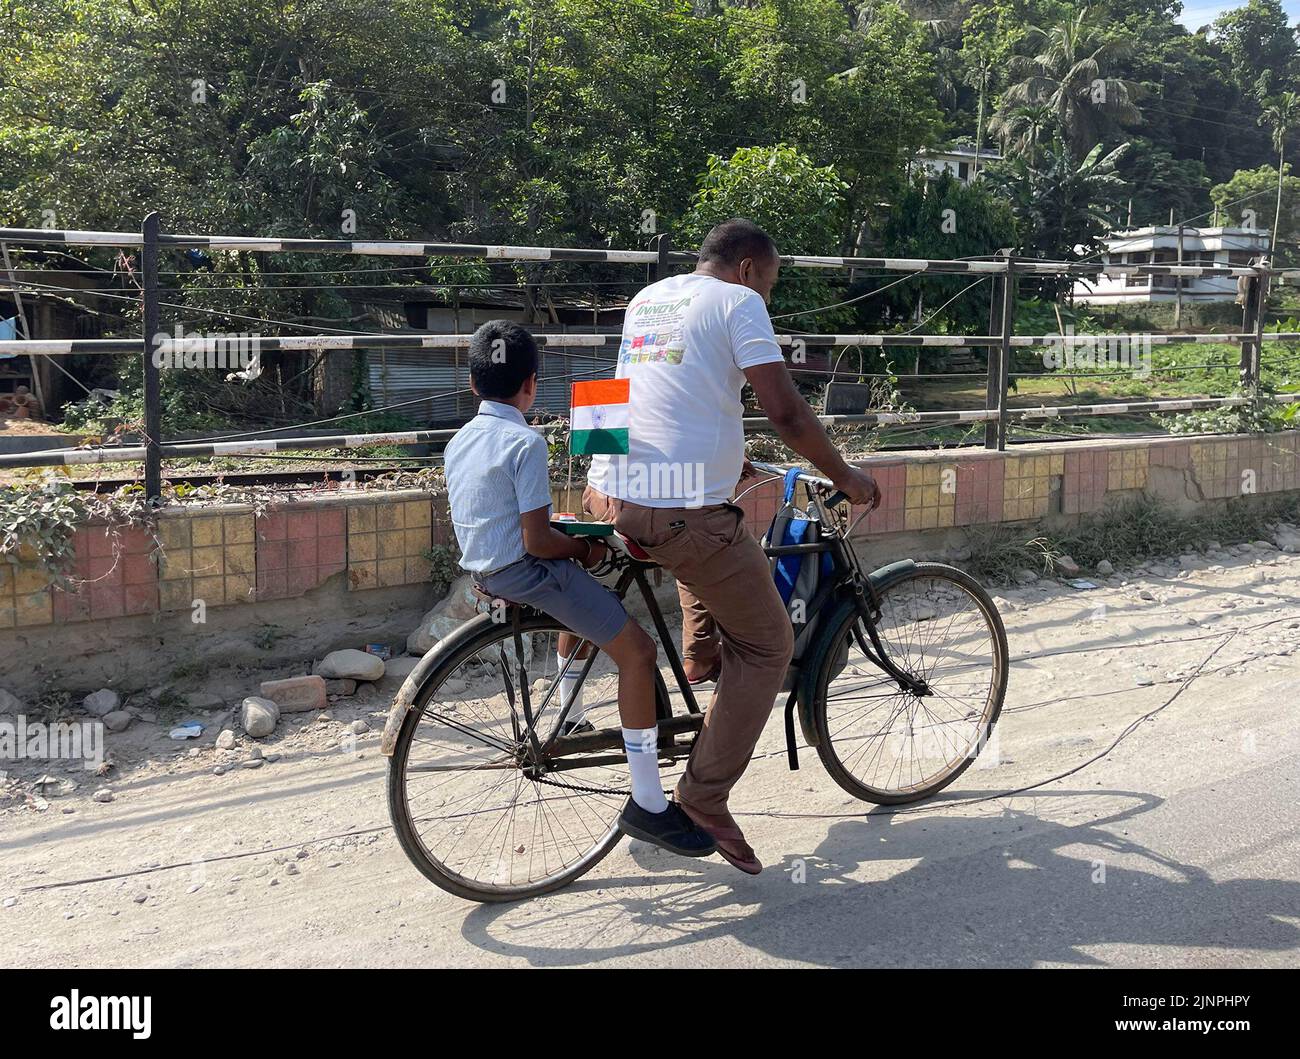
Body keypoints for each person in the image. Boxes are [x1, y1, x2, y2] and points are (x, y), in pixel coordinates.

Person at [584, 217, 882, 874]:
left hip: (607, 490)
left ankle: (699, 656)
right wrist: (847, 477)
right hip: (676, 509)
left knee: (712, 539)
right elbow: (786, 411)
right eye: (770, 286)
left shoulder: (651, 299)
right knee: (770, 641)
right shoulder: (739, 302)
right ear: (749, 269)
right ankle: (702, 796)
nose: (767, 299)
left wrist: (705, 464)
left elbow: (629, 399)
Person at [442, 320, 716, 859]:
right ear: (531, 385)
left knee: (595, 604)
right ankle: (649, 802)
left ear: (473, 385)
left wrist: (567, 540)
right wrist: (586, 549)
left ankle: (569, 708)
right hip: (530, 569)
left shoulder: (460, 440)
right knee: (638, 652)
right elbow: (539, 540)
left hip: (487, 570)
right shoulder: (525, 440)